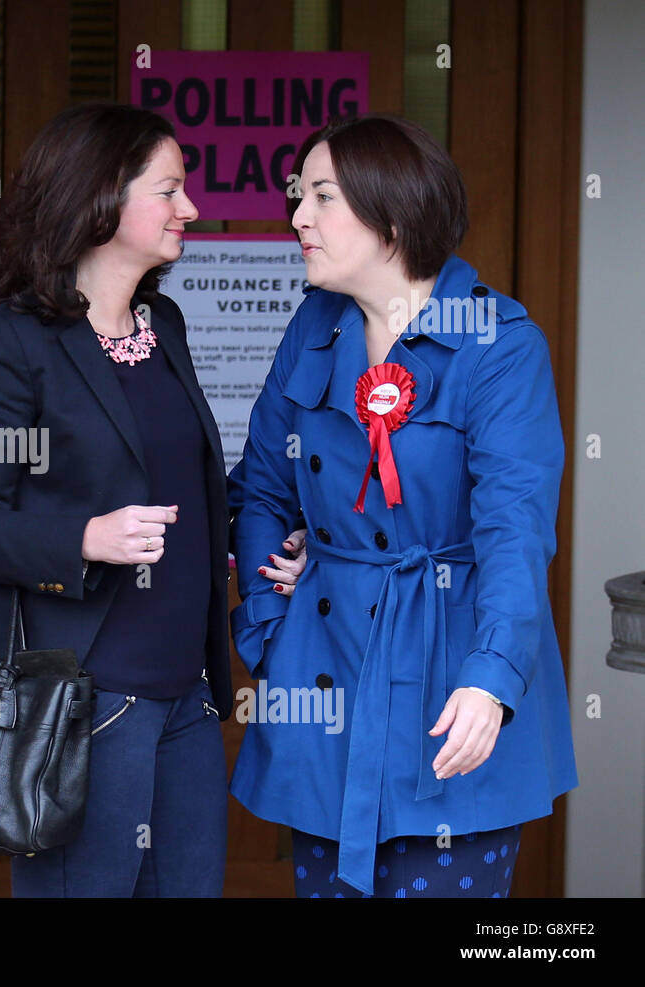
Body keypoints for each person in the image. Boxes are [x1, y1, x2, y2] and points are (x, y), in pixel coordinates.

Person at [0, 101, 301, 897]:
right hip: (81, 705)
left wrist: (277, 540)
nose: (191, 209)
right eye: (169, 190)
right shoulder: (9, 340)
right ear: (101, 198)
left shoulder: (163, 323)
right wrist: (84, 539)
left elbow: (183, 490)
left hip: (189, 702)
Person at [227, 113, 578, 898]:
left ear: (391, 214)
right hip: (324, 668)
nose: (297, 219)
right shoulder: (314, 326)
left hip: (449, 672)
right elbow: (261, 487)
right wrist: (267, 626)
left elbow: (515, 530)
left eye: (321, 197)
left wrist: (490, 680)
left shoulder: (498, 341)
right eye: (299, 197)